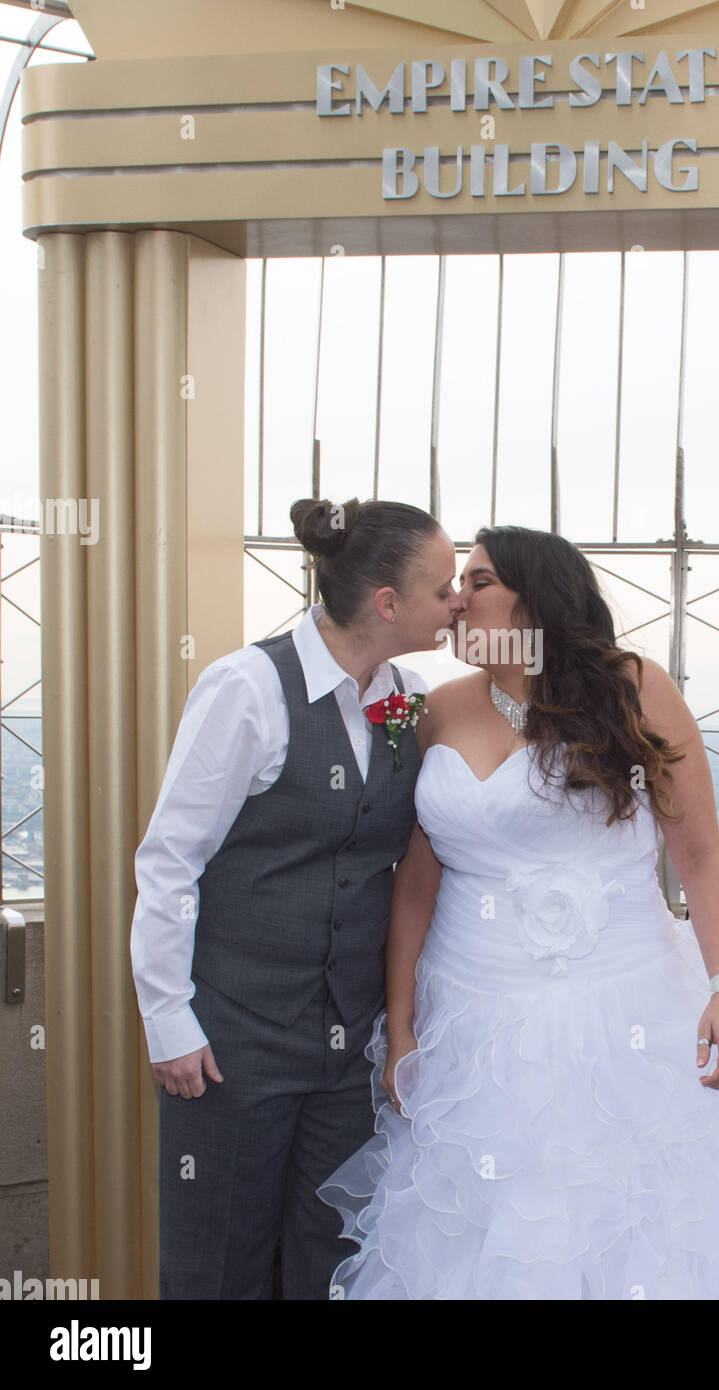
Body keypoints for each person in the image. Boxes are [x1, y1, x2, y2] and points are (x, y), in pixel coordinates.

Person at [316, 524, 719, 1300]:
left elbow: (703, 856)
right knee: (479, 1236)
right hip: (468, 1027)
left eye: (476, 583)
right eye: (452, 586)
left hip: (624, 1017)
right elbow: (415, 886)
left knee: (630, 1229)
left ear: (535, 599)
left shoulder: (635, 688)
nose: (454, 602)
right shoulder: (434, 710)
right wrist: (405, 1027)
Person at [130, 495, 462, 1299]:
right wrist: (168, 1018)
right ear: (388, 603)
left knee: (332, 1254)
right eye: (444, 588)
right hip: (232, 1041)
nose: (456, 603)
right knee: (219, 1259)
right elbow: (171, 858)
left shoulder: (406, 695)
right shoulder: (245, 687)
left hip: (348, 1048)